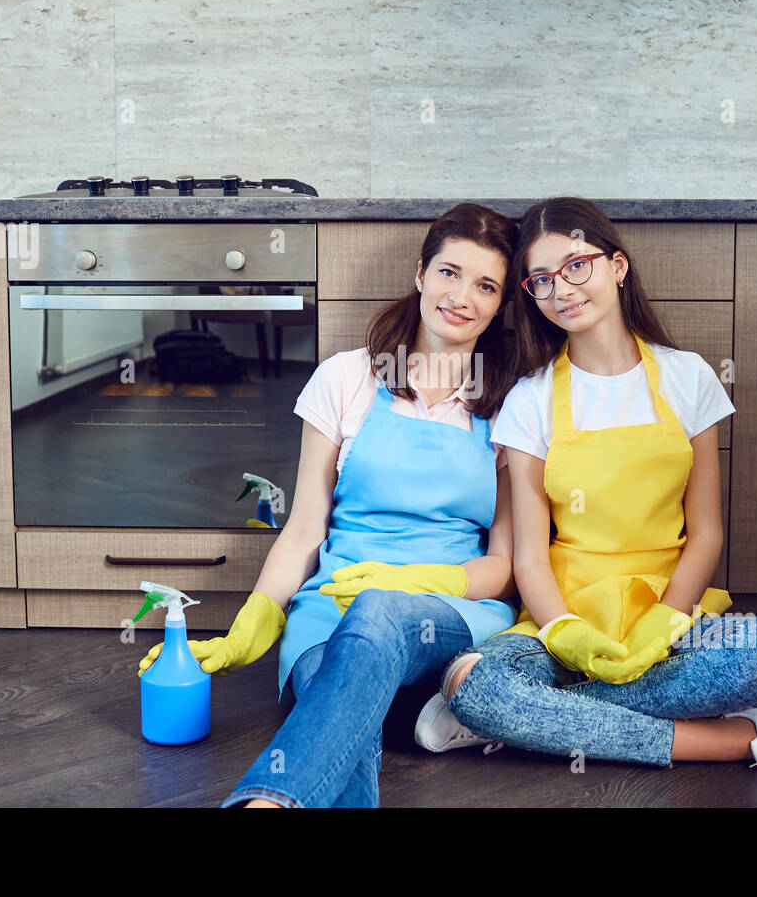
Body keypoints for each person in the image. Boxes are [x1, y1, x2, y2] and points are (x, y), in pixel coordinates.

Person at [414, 197, 757, 772]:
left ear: (617, 266)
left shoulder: (688, 376)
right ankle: (743, 738)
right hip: (561, 622)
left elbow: (706, 533)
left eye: (577, 265)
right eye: (542, 279)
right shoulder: (531, 397)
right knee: (473, 683)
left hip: (669, 623)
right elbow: (528, 556)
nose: (562, 289)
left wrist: (668, 619)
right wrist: (564, 629)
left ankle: (533, 720)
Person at [138, 202, 521, 806]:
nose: (462, 296)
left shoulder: (511, 405)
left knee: (379, 610)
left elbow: (505, 565)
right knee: (341, 708)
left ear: (500, 305)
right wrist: (255, 618)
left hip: (452, 611)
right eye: (449, 272)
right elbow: (304, 527)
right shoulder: (346, 379)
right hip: (330, 610)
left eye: (486, 285)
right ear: (421, 274)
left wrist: (416, 581)